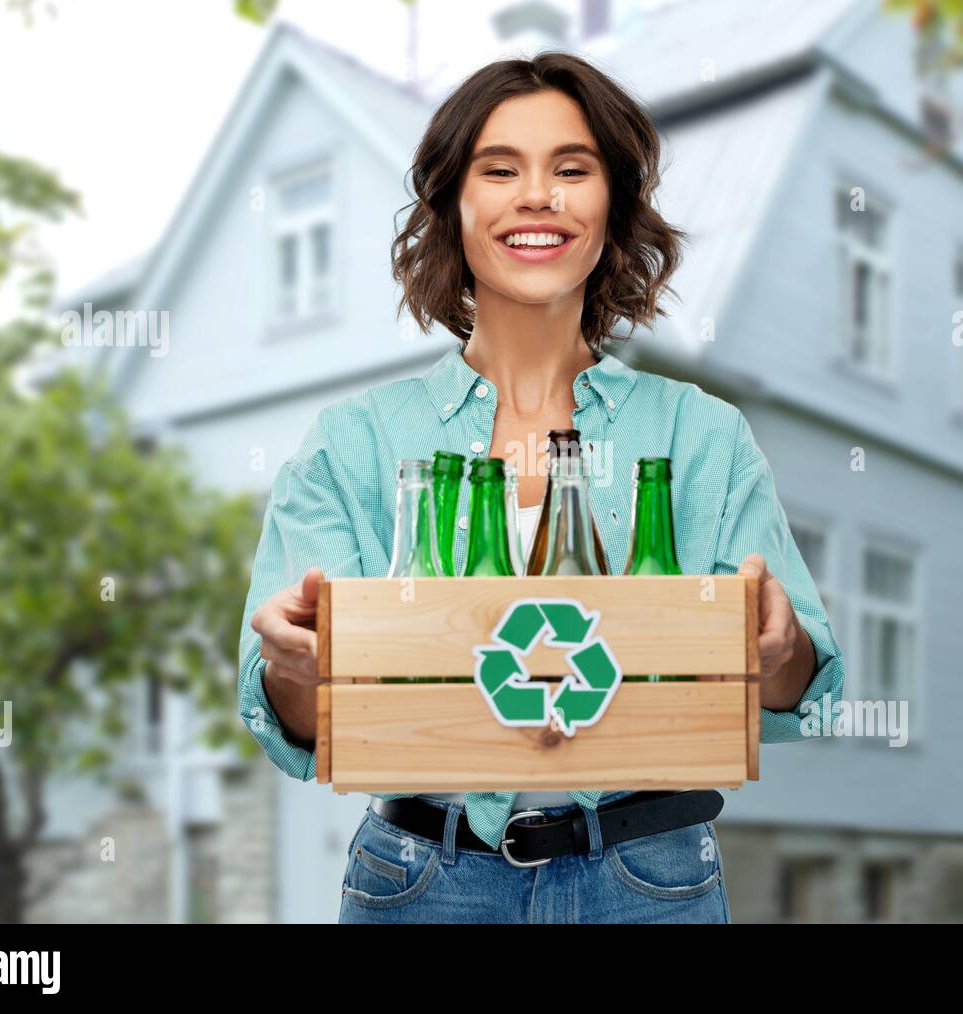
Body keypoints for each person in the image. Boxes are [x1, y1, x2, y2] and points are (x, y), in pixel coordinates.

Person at [238, 52, 845, 924]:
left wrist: (778, 651)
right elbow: (292, 713)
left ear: (613, 206)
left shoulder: (699, 436)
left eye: (572, 169)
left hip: (648, 879)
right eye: (499, 169)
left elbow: (803, 686)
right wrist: (299, 668)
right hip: (422, 878)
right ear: (454, 204)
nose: (537, 196)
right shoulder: (354, 444)